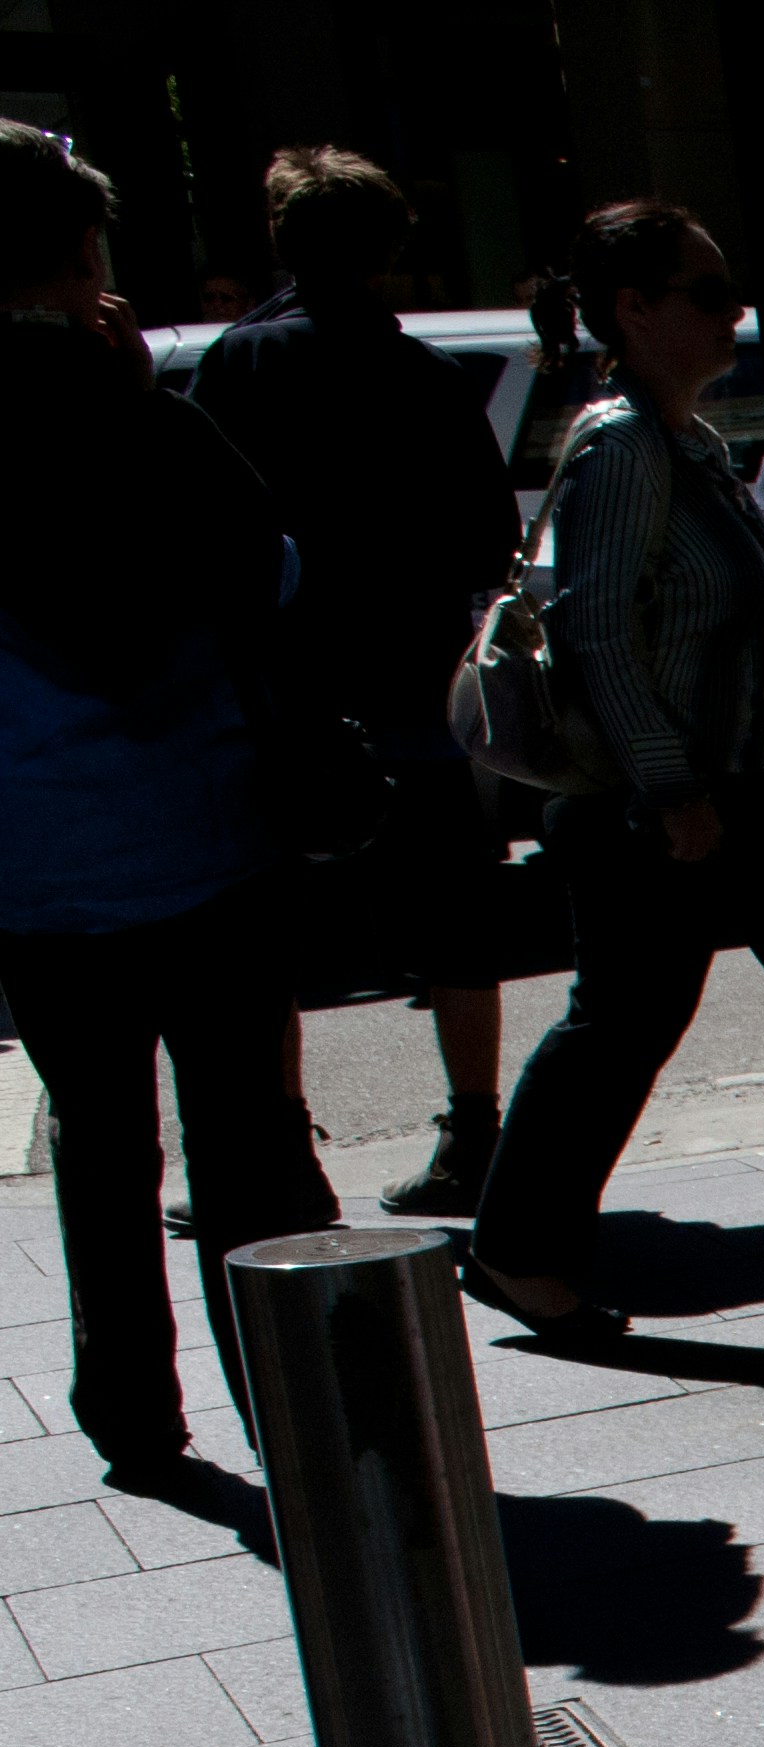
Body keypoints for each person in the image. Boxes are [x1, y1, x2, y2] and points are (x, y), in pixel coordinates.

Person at [463, 200, 764, 1338]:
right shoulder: (624, 444)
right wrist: (668, 785)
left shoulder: (692, 442)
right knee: (645, 1018)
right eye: (706, 290)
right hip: (676, 802)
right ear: (633, 311)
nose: (734, 308)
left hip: (742, 789)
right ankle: (517, 1248)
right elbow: (596, 632)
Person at [0, 120, 338, 1481]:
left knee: (100, 1142)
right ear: (84, 253)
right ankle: (294, 1405)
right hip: (203, 837)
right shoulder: (132, 412)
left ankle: (130, 1411)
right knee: (247, 1135)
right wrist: (135, 394)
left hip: (32, 863)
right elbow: (269, 572)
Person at [188, 143, 524, 1217]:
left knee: (263, 936)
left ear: (283, 241)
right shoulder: (428, 379)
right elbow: (490, 538)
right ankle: (475, 1130)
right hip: (417, 689)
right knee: (455, 917)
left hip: (284, 705)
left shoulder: (239, 369)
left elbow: (206, 537)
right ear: (388, 252)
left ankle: (280, 1153)